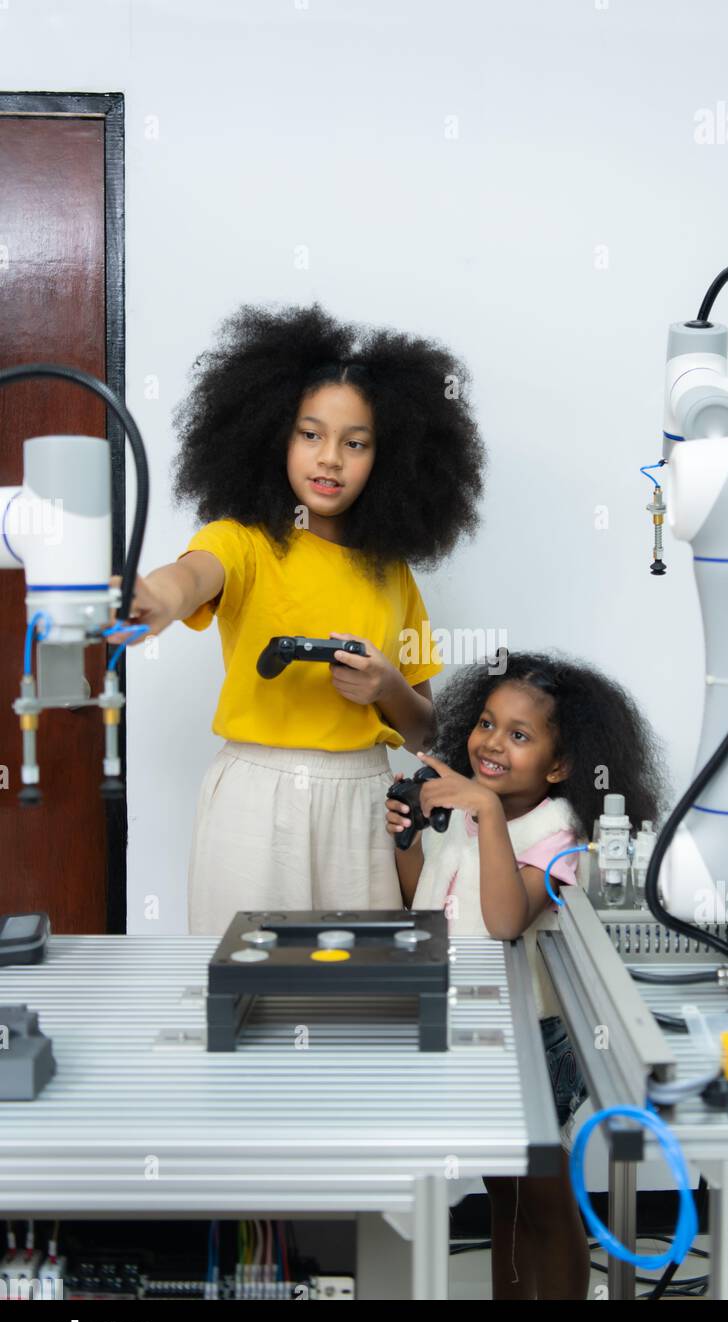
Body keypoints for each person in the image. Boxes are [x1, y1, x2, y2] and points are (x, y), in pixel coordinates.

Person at [108, 302, 485, 932]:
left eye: (355, 443)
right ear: (273, 436)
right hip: (256, 797)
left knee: (359, 996)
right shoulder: (244, 541)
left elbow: (423, 732)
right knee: (246, 988)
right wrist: (157, 597)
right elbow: (195, 575)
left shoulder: (392, 574)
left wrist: (386, 686)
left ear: (387, 460)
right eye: (310, 434)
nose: (330, 458)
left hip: (366, 800)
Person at [386, 651, 668, 1299]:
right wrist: (403, 839)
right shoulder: (465, 812)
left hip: (532, 1039)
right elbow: (425, 899)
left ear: (561, 764)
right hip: (469, 1027)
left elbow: (506, 918)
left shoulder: (562, 835)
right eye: (487, 724)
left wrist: (482, 810)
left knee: (544, 1195)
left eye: (520, 735)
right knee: (502, 1192)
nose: (492, 743)